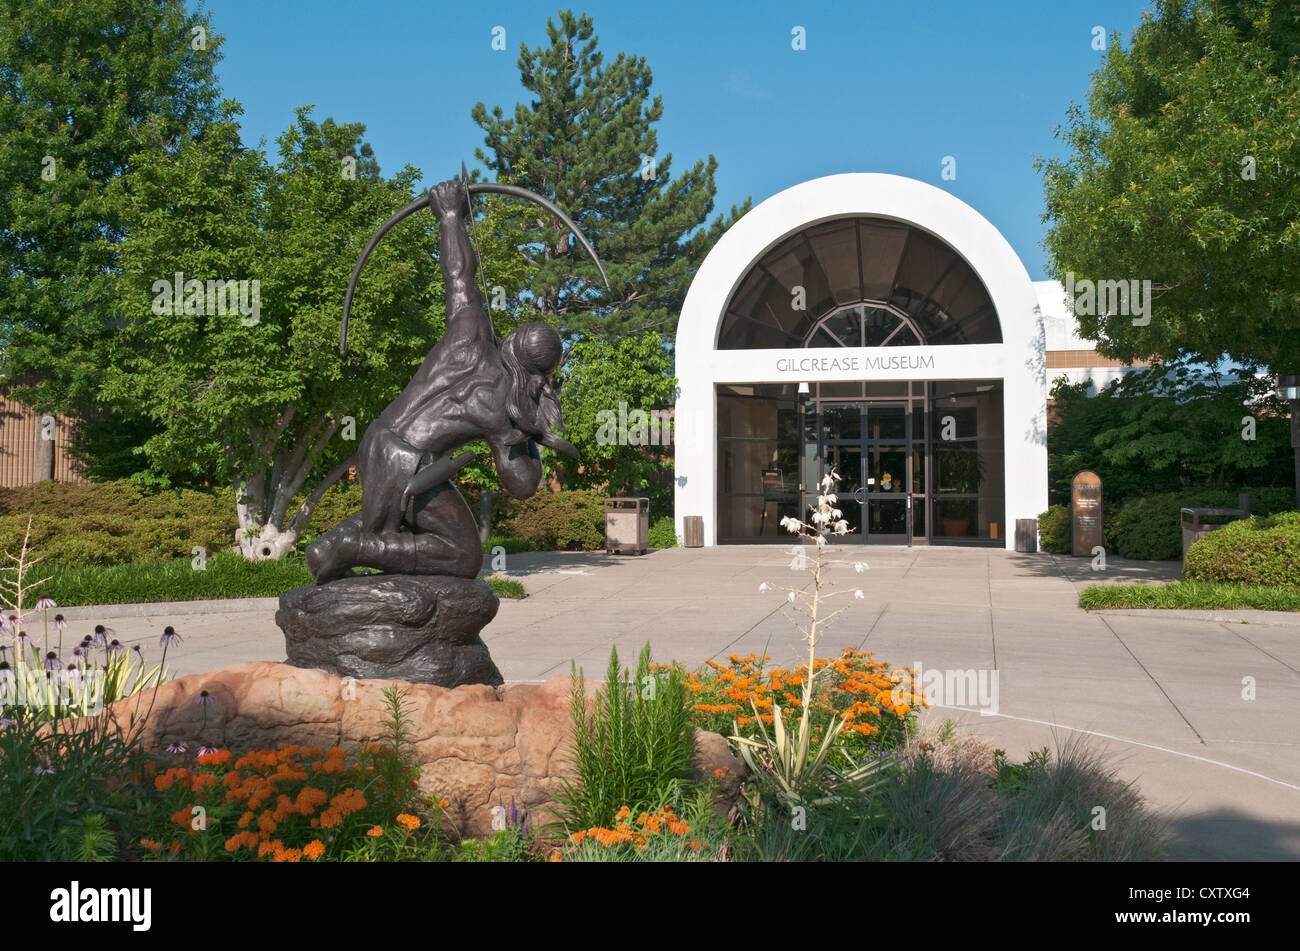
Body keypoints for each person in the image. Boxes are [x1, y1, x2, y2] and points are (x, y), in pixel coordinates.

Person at [306, 180, 577, 583]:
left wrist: (449, 214)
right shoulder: (507, 407)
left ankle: (336, 543)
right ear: (540, 374)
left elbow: (458, 274)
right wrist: (531, 431)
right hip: (409, 464)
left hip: (375, 443)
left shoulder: (469, 331)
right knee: (463, 557)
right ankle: (353, 546)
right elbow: (522, 486)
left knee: (396, 512)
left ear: (511, 339)